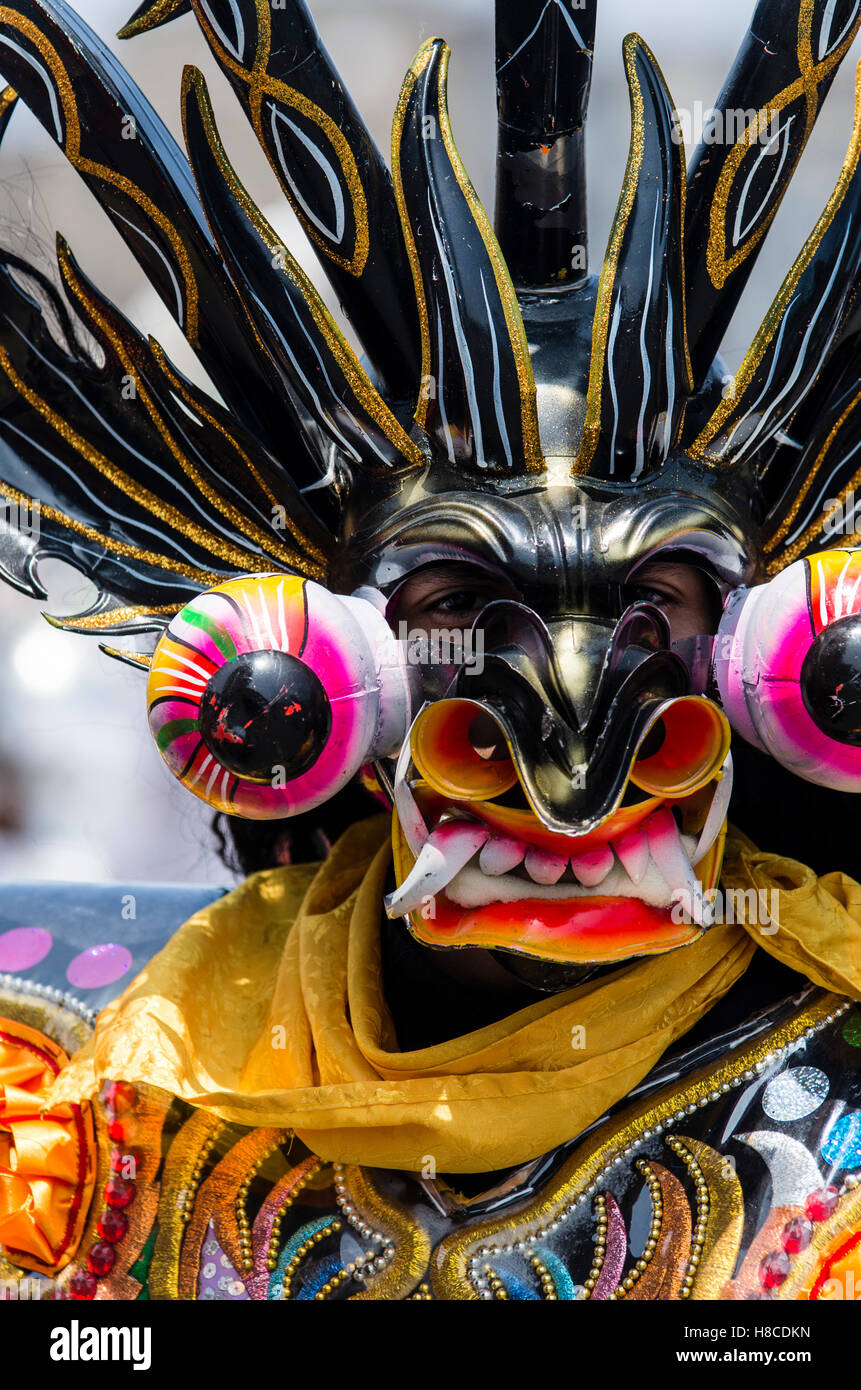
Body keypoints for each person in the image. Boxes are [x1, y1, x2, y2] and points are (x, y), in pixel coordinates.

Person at [1, 0, 861, 1304]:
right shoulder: (85, 1078)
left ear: (766, 661)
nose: (569, 705)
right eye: (464, 595)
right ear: (320, 669)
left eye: (654, 602)